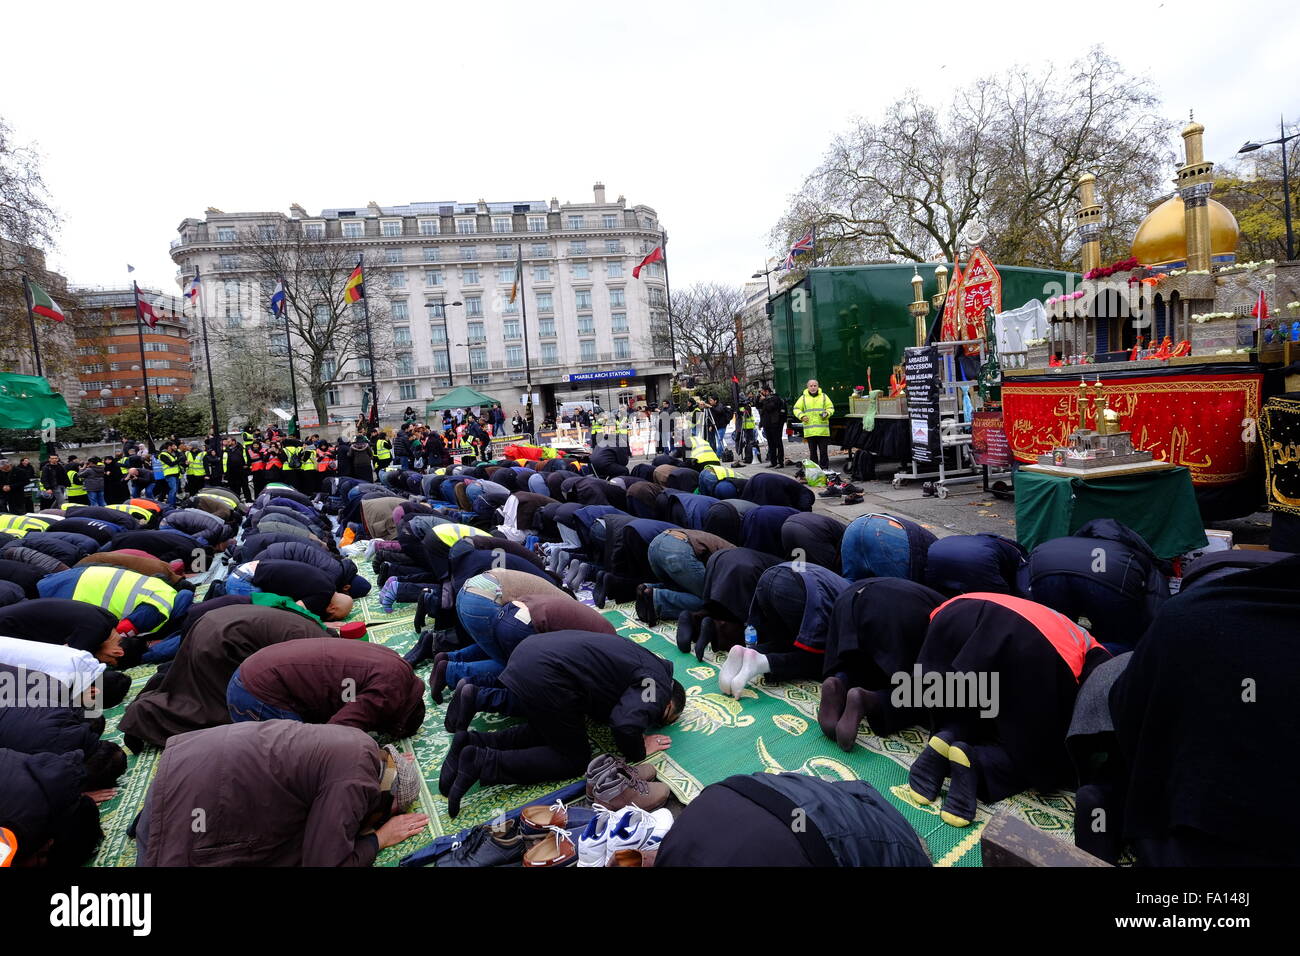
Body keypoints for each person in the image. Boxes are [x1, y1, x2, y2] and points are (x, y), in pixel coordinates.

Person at [440, 630, 685, 817]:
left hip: (531, 653)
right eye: (661, 719)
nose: (654, 723)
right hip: (547, 675)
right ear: (667, 705)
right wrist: (639, 748)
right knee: (574, 758)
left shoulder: (649, 660)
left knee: (552, 730)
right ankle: (483, 763)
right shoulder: (657, 685)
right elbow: (624, 724)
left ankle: (472, 741)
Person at [134, 721, 427, 866]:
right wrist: (379, 838)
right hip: (193, 801)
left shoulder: (359, 742)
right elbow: (324, 863)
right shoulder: (357, 780)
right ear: (385, 792)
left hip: (183, 762)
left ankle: (152, 815)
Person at [229, 638, 425, 738]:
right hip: (256, 692)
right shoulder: (388, 692)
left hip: (257, 669)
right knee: (302, 758)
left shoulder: (398, 665)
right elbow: (336, 733)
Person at [223, 558, 355, 621]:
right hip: (243, 581)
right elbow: (294, 611)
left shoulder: (329, 583)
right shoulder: (323, 596)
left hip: (245, 570)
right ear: (332, 608)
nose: (332, 618)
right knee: (261, 619)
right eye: (335, 617)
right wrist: (323, 625)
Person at [794, 379, 833, 469]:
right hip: (810, 431)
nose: (813, 387)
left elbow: (830, 408)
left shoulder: (824, 396)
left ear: (818, 386)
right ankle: (815, 472)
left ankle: (824, 470)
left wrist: (827, 413)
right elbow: (796, 409)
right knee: (813, 453)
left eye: (815, 385)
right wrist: (802, 416)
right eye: (811, 386)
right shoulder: (803, 398)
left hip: (822, 431)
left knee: (823, 452)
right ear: (807, 387)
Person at [758, 385, 787, 468]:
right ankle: (773, 461)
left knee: (778, 443)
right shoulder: (765, 400)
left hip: (776, 424)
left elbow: (770, 407)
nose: (761, 393)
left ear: (767, 391)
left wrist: (764, 400)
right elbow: (760, 409)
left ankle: (780, 462)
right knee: (770, 444)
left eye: (762, 391)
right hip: (767, 424)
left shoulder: (775, 398)